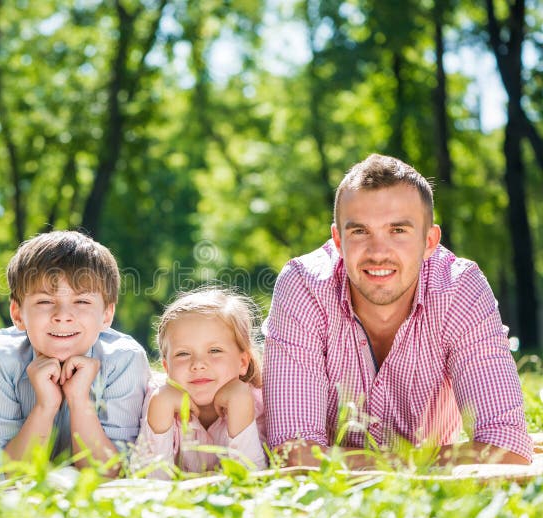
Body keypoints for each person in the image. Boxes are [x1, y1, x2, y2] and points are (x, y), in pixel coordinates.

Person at [264, 154, 533, 468]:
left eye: (398, 231)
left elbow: (507, 447)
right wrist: (420, 464)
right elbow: (293, 453)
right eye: (360, 232)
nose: (378, 253)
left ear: (429, 240)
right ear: (338, 240)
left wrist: (372, 465)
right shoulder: (304, 285)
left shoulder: (460, 289)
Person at [0, 231, 150, 473]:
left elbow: (112, 473)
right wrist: (45, 406)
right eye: (45, 301)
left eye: (82, 302)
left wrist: (79, 401)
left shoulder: (124, 360)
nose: (63, 315)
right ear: (17, 314)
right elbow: (0, 473)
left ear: (107, 315)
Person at [133, 288, 267, 477]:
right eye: (183, 354)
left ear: (243, 362)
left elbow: (253, 482)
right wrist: (160, 404)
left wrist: (240, 403)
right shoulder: (159, 399)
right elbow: (146, 484)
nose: (198, 365)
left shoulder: (259, 404)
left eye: (214, 351)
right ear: (166, 367)